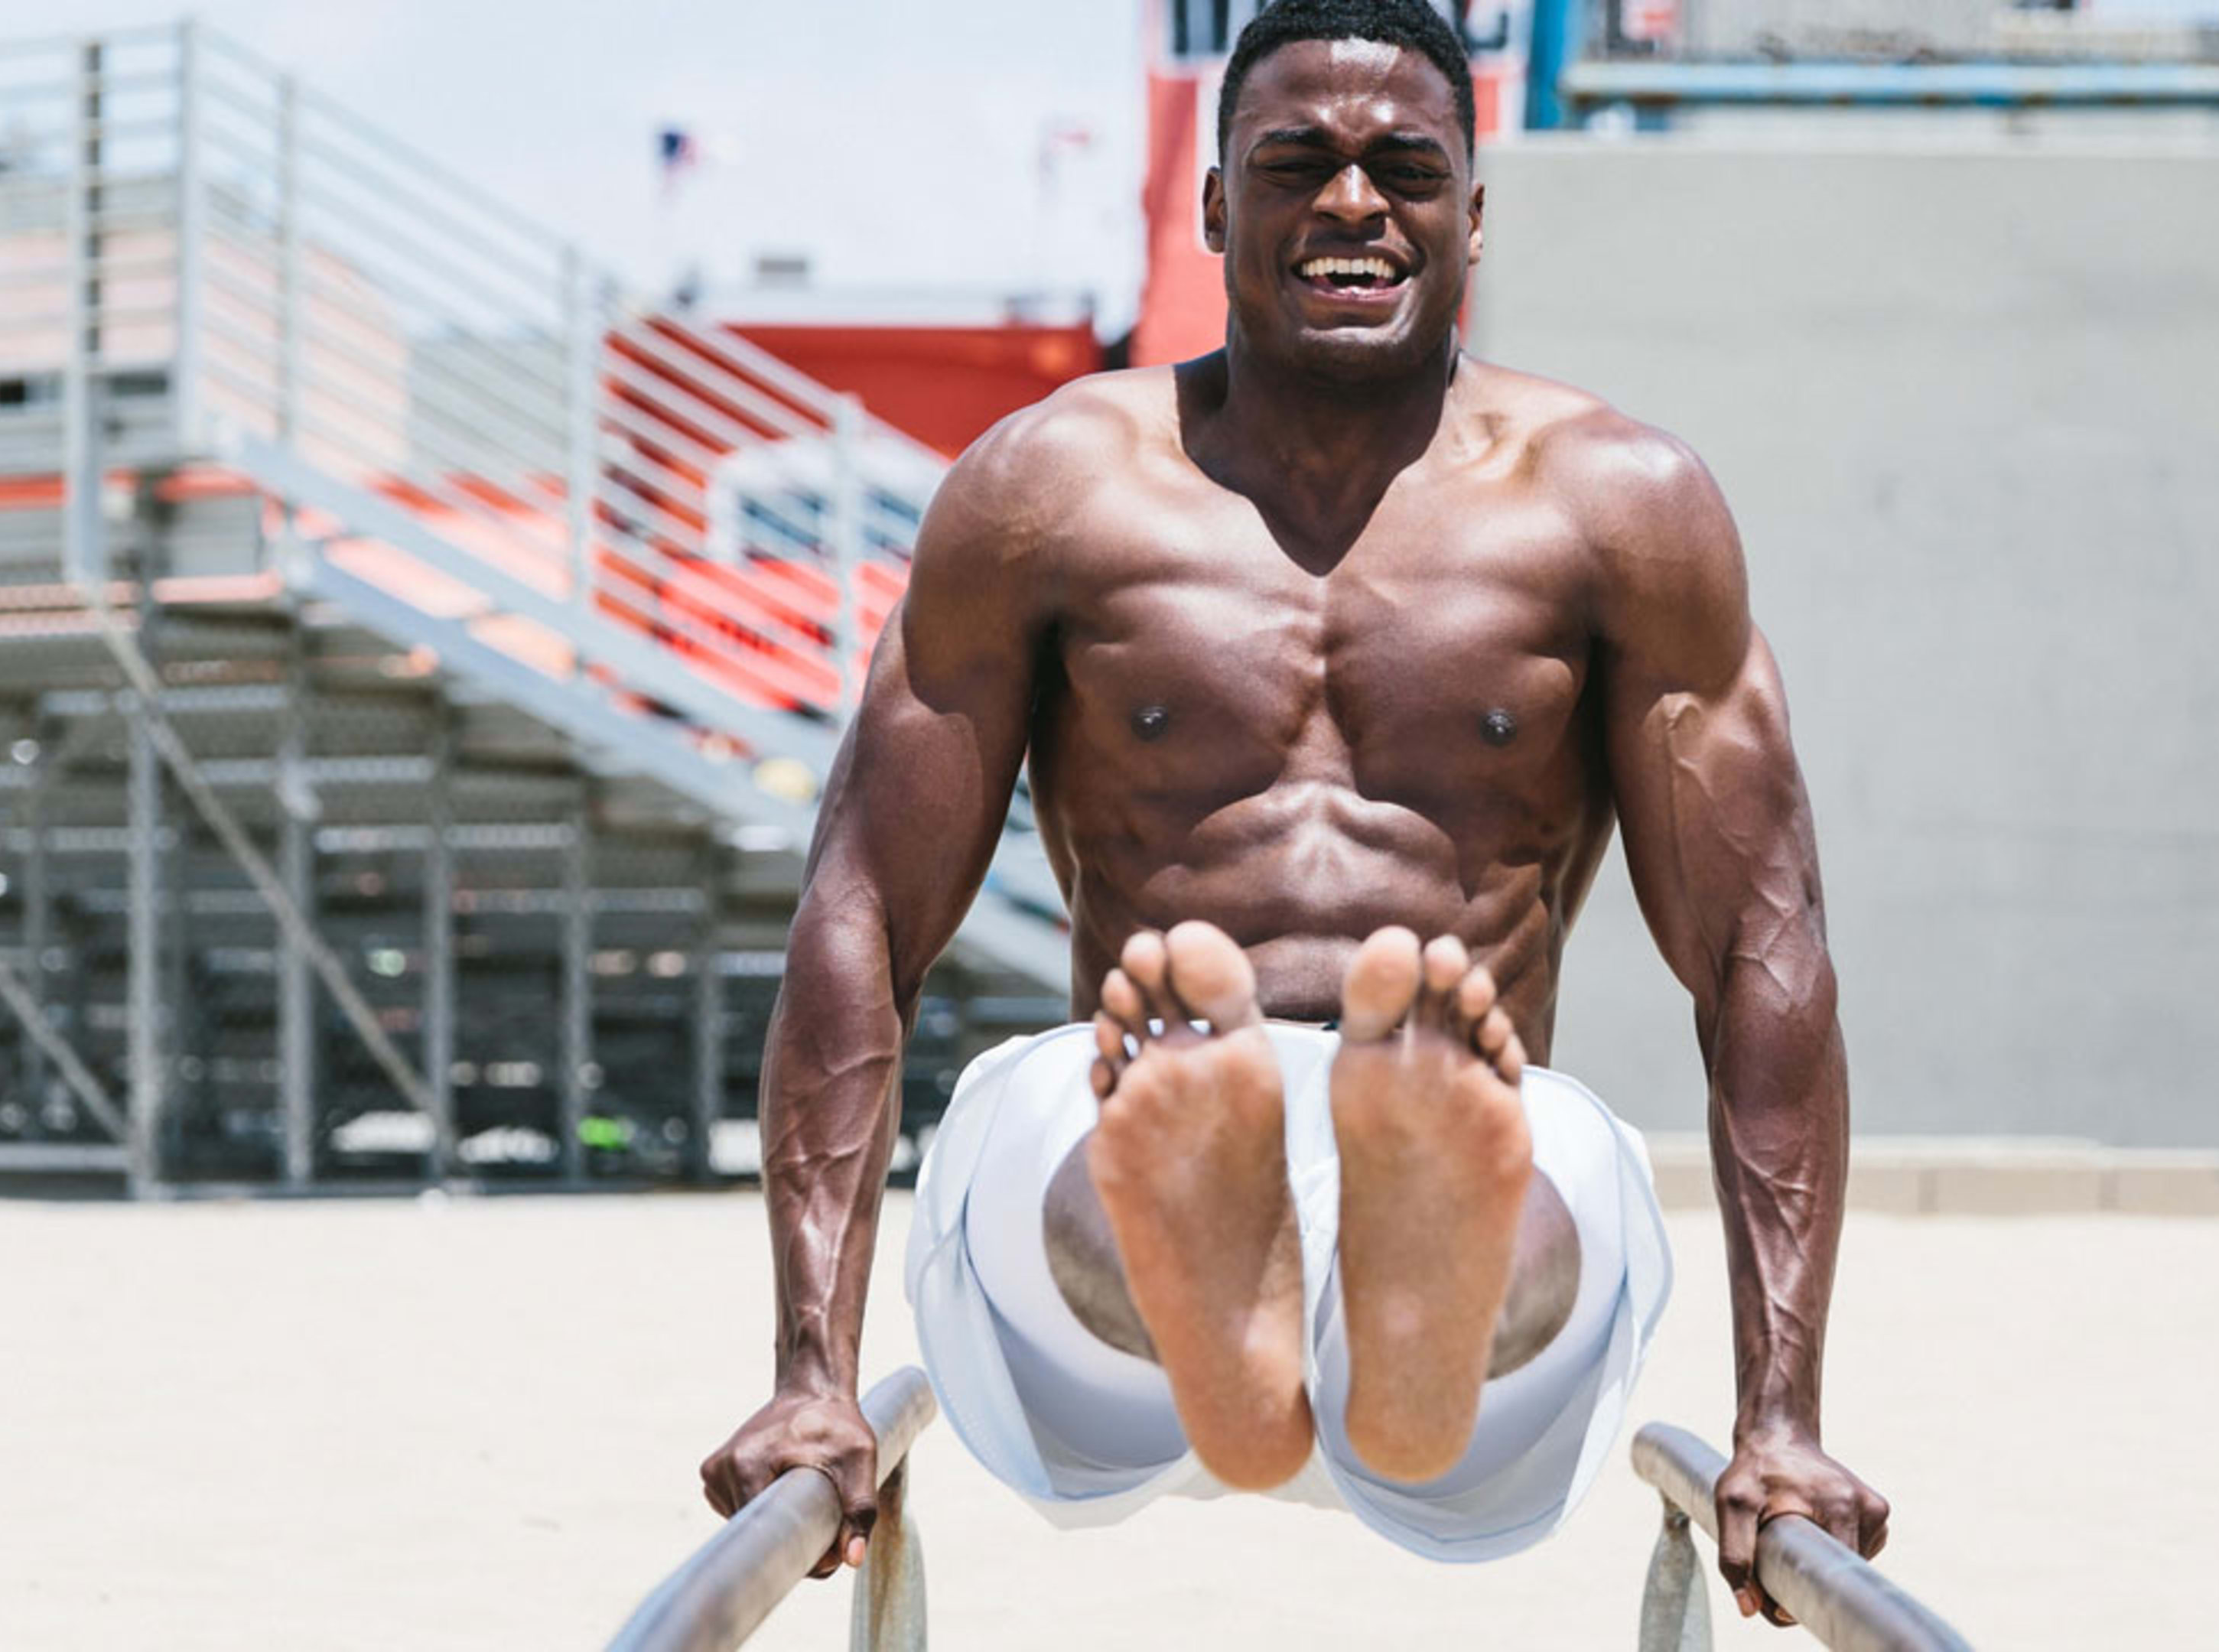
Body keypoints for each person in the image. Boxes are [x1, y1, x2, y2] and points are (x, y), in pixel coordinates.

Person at [699, 0, 1889, 1616]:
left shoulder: (1618, 506)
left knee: (1527, 1168)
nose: (1350, 202)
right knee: (1085, 1131)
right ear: (1213, 204)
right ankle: (1259, 1269)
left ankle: (1392, 1292)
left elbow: (1762, 944)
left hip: (1451, 1160)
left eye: (1405, 167)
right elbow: (862, 911)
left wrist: (1784, 1421)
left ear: (1474, 214)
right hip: (1144, 1146)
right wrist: (807, 1378)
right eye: (1295, 163)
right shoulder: (1054, 489)